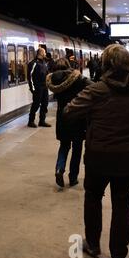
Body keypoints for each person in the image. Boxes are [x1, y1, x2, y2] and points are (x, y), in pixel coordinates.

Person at [63, 44, 129, 258]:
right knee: (122, 204)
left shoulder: (96, 90)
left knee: (93, 198)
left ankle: (93, 244)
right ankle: (119, 257)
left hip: (99, 157)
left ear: (105, 65)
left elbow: (69, 111)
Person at [46, 58, 92, 188]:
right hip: (77, 116)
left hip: (62, 117)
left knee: (64, 146)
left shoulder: (53, 80)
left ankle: (59, 169)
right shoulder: (77, 78)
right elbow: (92, 86)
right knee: (77, 149)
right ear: (68, 66)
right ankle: (73, 178)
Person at [27, 47, 51, 128]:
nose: (45, 54)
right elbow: (30, 77)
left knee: (45, 104)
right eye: (44, 52)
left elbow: (47, 74)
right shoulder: (33, 63)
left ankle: (42, 121)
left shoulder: (44, 63)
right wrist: (33, 88)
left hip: (44, 87)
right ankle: (31, 121)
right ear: (40, 53)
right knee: (36, 104)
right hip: (37, 88)